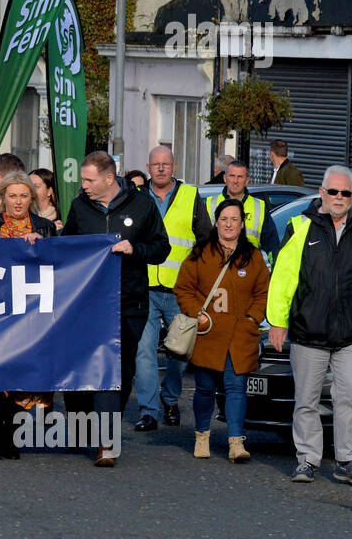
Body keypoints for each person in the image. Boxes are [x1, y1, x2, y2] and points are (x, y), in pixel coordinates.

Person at [267, 166, 352, 485]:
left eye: (345, 193)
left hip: (349, 333)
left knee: (350, 397)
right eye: (333, 191)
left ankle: (347, 461)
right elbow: (282, 279)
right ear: (322, 192)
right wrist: (277, 322)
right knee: (306, 400)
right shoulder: (300, 226)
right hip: (309, 331)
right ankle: (307, 460)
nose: (338, 197)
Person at [61, 151, 171, 465]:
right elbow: (66, 247)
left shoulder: (143, 204)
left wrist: (134, 249)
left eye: (88, 179)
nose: (83, 186)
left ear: (109, 178)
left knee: (120, 371)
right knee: (89, 368)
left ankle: (105, 438)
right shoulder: (80, 206)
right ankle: (92, 434)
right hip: (88, 303)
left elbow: (161, 248)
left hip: (129, 302)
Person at [0, 171, 59, 458]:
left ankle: (11, 437)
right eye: (12, 196)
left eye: (23, 195)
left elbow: (57, 266)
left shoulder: (45, 227)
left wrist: (42, 247)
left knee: (20, 376)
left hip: (29, 315)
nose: (18, 202)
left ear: (31, 198)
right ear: (2, 197)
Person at [175, 198, 271, 463]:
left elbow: (263, 292)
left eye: (234, 220)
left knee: (236, 387)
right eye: (224, 219)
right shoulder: (200, 253)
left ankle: (236, 443)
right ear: (216, 222)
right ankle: (202, 435)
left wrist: (253, 318)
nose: (229, 225)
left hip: (241, 335)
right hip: (209, 333)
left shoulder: (253, 256)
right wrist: (198, 314)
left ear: (242, 225)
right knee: (205, 388)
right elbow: (183, 289)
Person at [133, 146, 212, 431]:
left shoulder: (191, 196)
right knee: (144, 351)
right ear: (148, 167)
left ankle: (170, 399)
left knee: (180, 353)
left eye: (166, 164)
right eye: (156, 165)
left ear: (174, 167)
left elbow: (206, 241)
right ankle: (149, 411)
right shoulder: (138, 198)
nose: (161, 169)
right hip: (146, 286)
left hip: (182, 289)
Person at [206, 160, 281, 259]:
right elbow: (201, 241)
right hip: (216, 265)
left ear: (247, 180)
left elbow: (272, 245)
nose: (235, 181)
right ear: (225, 178)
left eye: (240, 177)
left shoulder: (259, 207)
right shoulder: (210, 203)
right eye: (232, 176)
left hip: (247, 266)